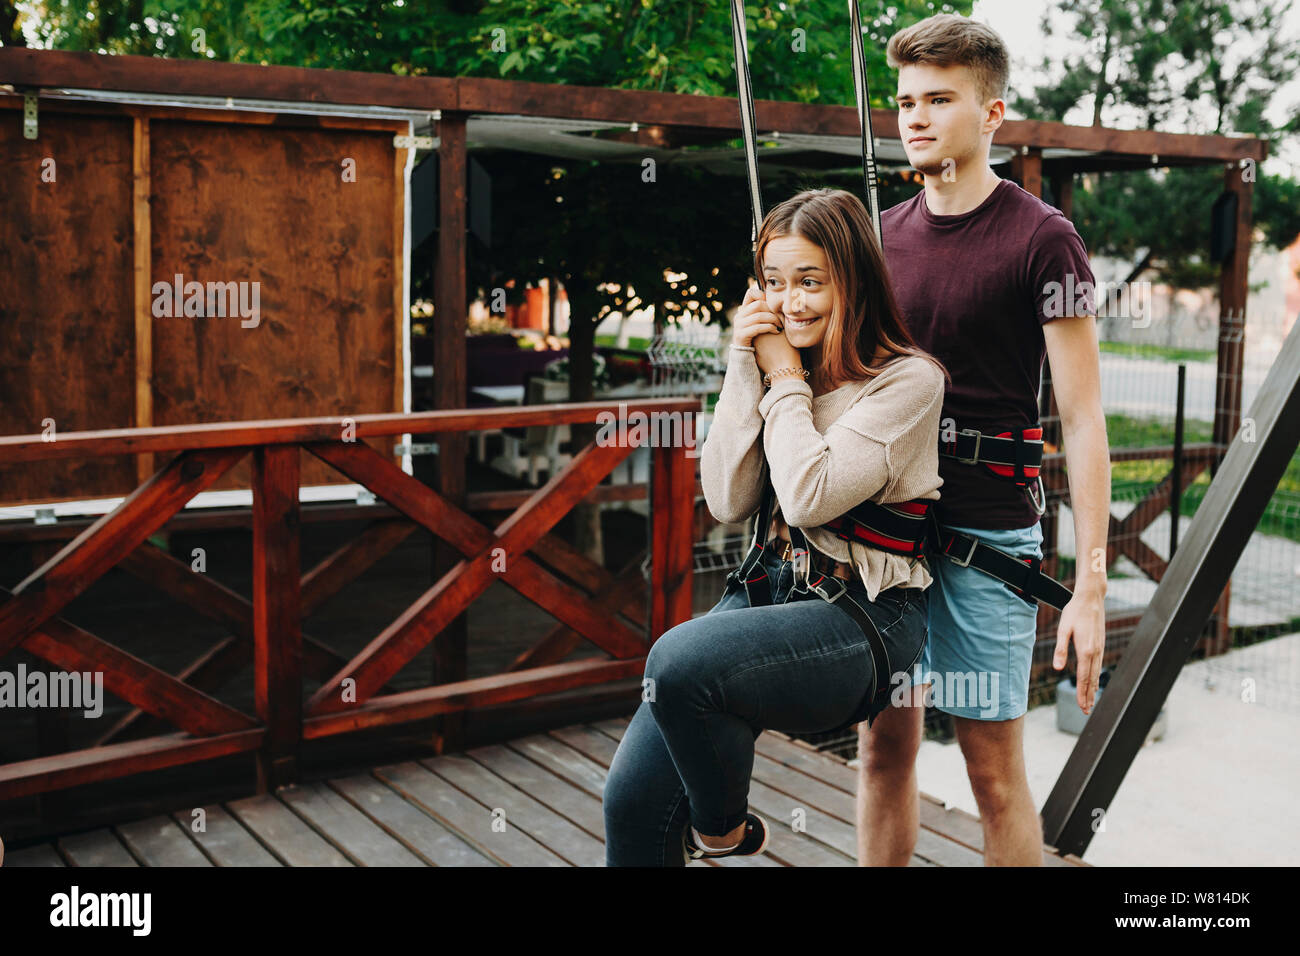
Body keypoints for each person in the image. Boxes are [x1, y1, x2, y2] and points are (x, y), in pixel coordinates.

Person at [602, 188, 949, 865]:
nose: (791, 301)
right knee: (632, 802)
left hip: (863, 619)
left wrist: (785, 380)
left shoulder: (907, 383)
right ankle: (708, 822)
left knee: (679, 662)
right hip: (766, 589)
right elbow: (729, 499)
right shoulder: (778, 361)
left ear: (853, 279)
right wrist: (743, 362)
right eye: (774, 282)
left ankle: (723, 832)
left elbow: (810, 494)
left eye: (810, 282)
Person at [858, 13, 1110, 867]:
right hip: (887, 533)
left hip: (987, 537)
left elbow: (1081, 419)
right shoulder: (878, 237)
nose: (916, 118)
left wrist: (1090, 584)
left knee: (992, 773)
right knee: (882, 751)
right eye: (904, 101)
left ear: (993, 113)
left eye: (939, 99)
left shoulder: (1045, 241)